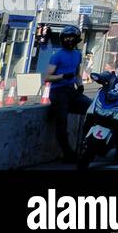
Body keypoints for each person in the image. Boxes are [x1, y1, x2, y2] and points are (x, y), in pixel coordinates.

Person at [44, 26, 90, 162]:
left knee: (91, 110)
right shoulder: (57, 56)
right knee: (62, 122)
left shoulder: (78, 54)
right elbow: (47, 77)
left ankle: (87, 146)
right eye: (66, 38)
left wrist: (80, 85)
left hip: (72, 91)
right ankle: (67, 153)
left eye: (71, 38)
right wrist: (62, 76)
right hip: (58, 92)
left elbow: (77, 73)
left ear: (77, 40)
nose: (69, 40)